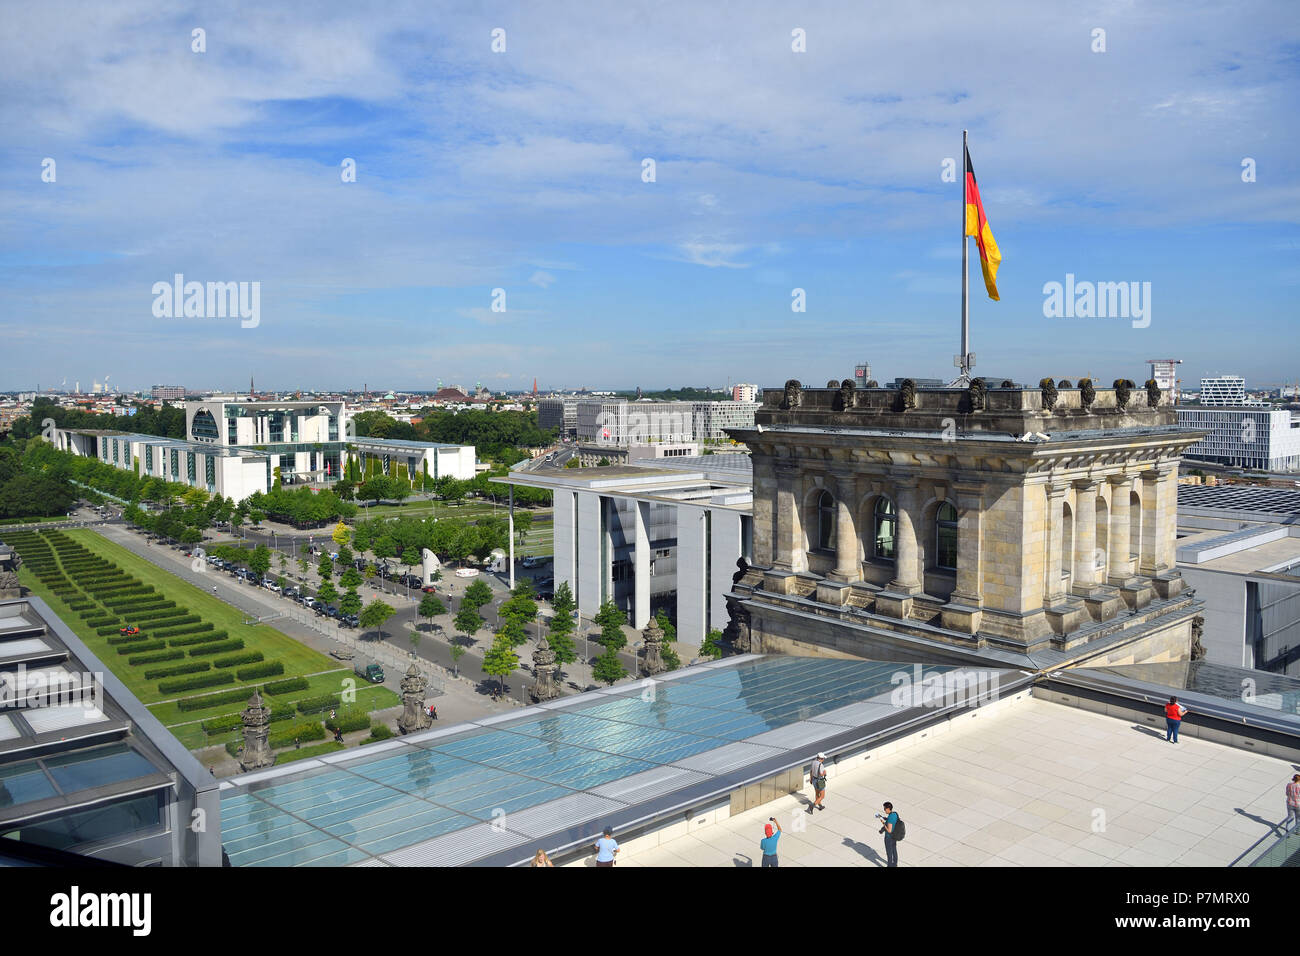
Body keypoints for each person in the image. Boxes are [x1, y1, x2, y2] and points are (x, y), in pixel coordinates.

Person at [878, 801, 900, 867]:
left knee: (889, 853)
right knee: (894, 850)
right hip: (894, 836)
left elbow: (889, 830)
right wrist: (883, 817)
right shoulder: (894, 814)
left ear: (888, 809)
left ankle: (890, 865)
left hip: (889, 837)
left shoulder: (890, 818)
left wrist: (883, 823)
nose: (884, 810)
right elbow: (891, 820)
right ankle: (895, 864)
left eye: (884, 809)